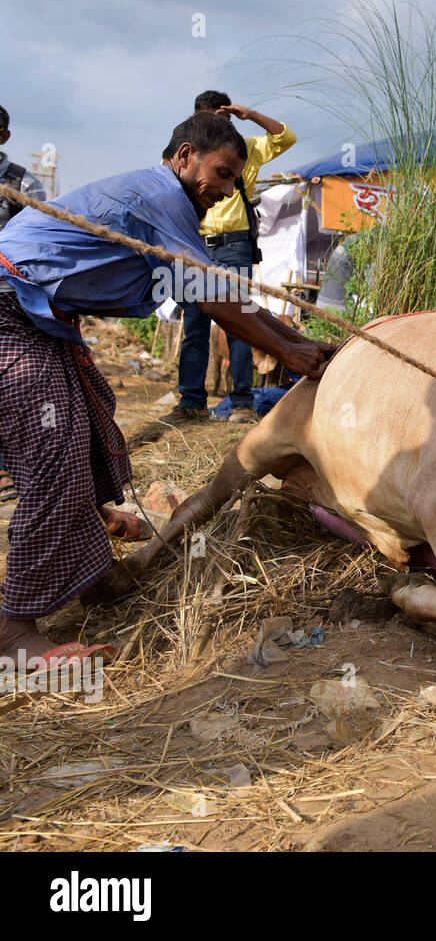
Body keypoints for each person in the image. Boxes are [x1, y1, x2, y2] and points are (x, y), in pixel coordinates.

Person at [0, 112, 334, 666]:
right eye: (222, 173)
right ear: (183, 156)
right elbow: (209, 292)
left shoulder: (169, 204)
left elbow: (226, 293)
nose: (225, 190)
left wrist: (298, 341)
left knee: (90, 421)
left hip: (43, 318)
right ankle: (12, 631)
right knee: (55, 451)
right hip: (10, 308)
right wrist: (291, 353)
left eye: (234, 181)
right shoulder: (162, 197)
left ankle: (91, 570)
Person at [163, 91, 298, 426]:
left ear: (227, 118)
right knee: (194, 324)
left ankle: (241, 403)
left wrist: (249, 114)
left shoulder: (246, 148)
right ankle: (191, 402)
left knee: (239, 322)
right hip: (197, 244)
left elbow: (286, 136)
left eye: (217, 120)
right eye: (203, 121)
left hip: (234, 245)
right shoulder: (189, 154)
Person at [0, 105, 49, 502]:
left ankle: (7, 468)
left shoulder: (22, 184)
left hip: (7, 298)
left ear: (3, 137)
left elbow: (40, 241)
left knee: (12, 385)